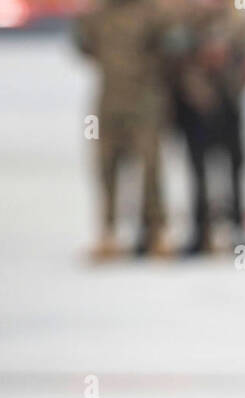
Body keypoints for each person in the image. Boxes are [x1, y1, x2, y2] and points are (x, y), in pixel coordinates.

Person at [74, 0, 171, 258]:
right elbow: (84, 47)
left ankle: (156, 232)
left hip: (144, 100)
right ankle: (108, 233)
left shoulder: (153, 14)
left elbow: (171, 47)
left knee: (151, 167)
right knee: (106, 167)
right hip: (109, 101)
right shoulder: (97, 16)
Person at [165, 0, 245, 255]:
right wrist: (195, 88)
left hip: (229, 106)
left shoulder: (237, 21)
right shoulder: (183, 20)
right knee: (198, 171)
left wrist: (235, 85)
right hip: (194, 108)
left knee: (236, 167)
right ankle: (200, 232)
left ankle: (237, 230)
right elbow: (174, 60)